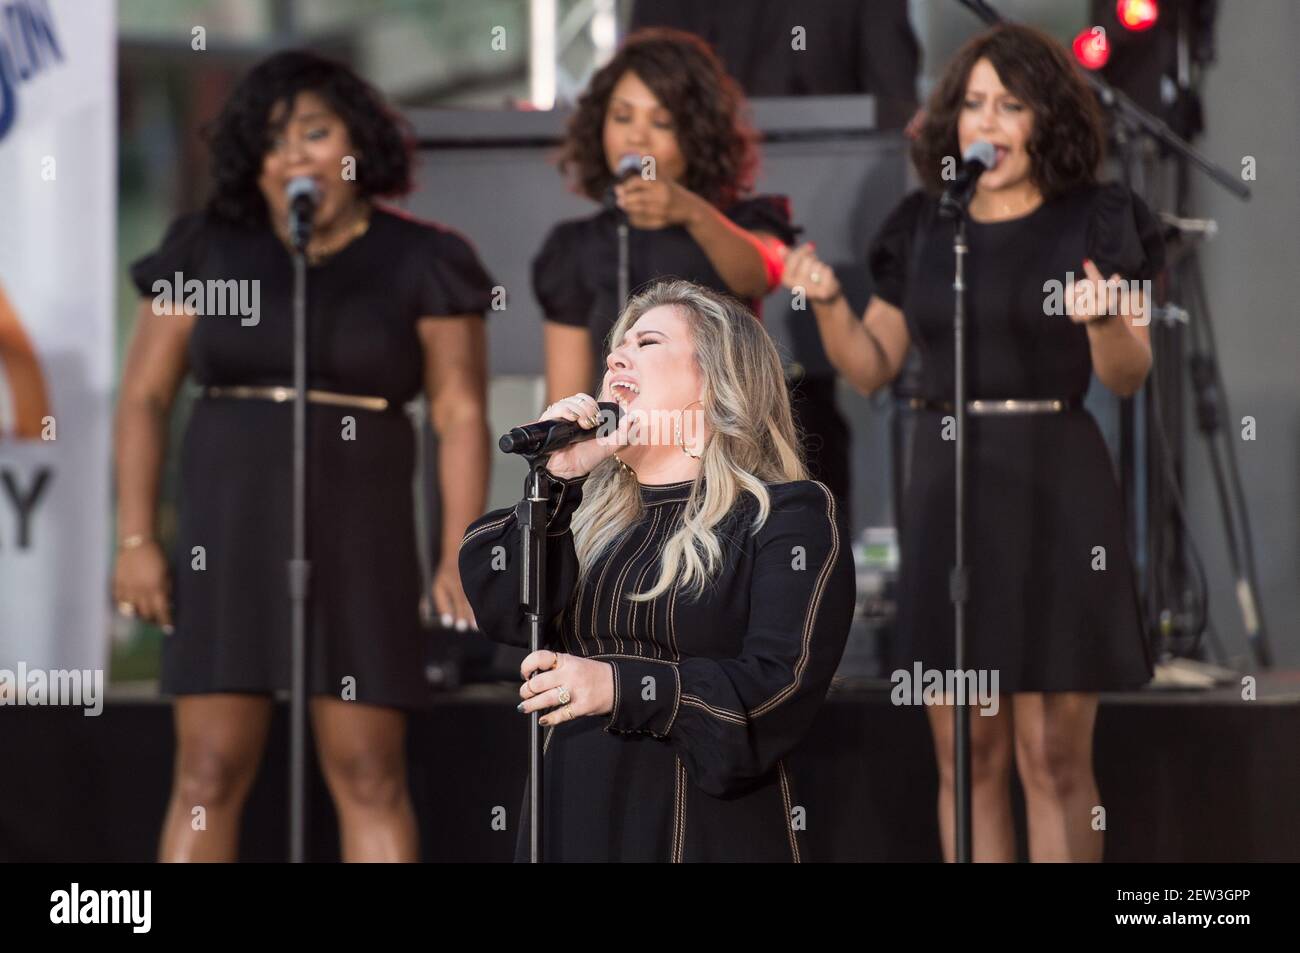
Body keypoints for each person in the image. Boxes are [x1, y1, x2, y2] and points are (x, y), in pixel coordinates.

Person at [781, 23, 1161, 862]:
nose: (987, 124)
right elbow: (875, 366)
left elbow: (1130, 372)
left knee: (1051, 755)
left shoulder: (1097, 220)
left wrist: (1103, 324)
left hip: (1057, 483)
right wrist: (831, 307)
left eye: (1011, 105)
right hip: (949, 486)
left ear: (1047, 120)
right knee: (970, 755)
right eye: (974, 105)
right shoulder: (925, 223)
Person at [114, 50, 494, 861]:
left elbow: (460, 410)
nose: (294, 156)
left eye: (315, 134)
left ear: (360, 146)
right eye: (274, 141)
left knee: (368, 771)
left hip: (362, 534)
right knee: (207, 768)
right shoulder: (204, 249)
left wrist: (460, 544)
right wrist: (138, 538)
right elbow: (144, 397)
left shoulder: (424, 259)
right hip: (229, 527)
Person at [458, 279, 856, 862]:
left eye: (647, 342)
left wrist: (621, 687)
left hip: (699, 828)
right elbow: (504, 607)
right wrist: (557, 480)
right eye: (615, 348)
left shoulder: (786, 516)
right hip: (574, 817)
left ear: (717, 380)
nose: (617, 355)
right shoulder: (582, 520)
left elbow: (776, 687)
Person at [532, 28, 848, 502]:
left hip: (724, 455)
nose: (636, 134)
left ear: (695, 132)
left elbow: (760, 272)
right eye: (622, 117)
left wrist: (690, 211)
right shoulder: (576, 245)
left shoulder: (741, 220)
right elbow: (568, 382)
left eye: (660, 121)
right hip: (622, 468)